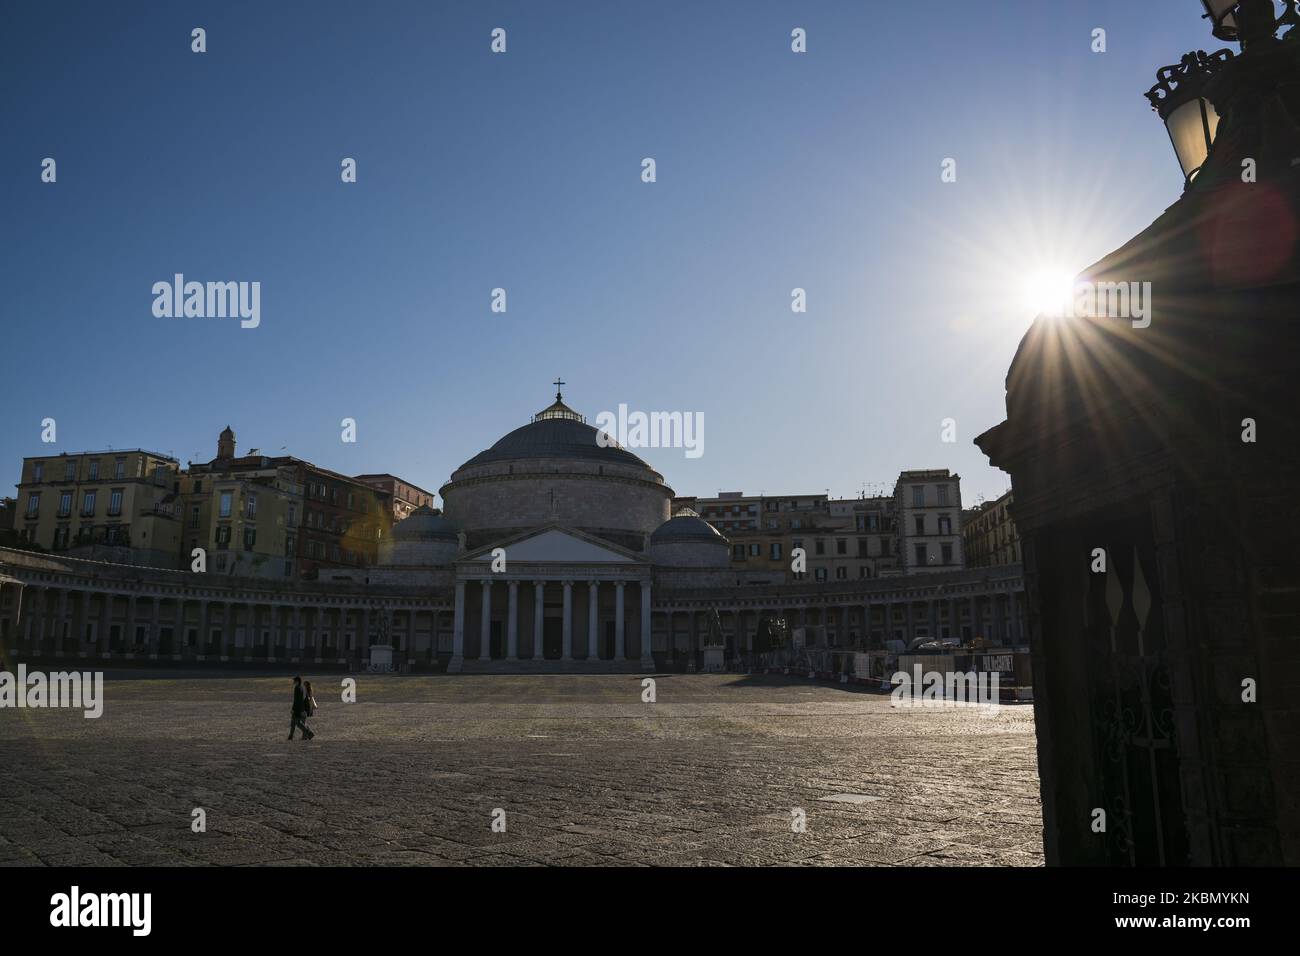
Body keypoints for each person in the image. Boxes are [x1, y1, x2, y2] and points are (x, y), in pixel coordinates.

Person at [289, 676, 314, 741]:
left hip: (298, 708)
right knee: (293, 722)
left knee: (298, 723)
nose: (293, 682)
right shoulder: (302, 688)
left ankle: (309, 733)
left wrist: (293, 709)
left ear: (297, 681)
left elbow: (297, 700)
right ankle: (290, 736)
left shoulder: (297, 688)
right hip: (300, 708)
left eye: (294, 681)